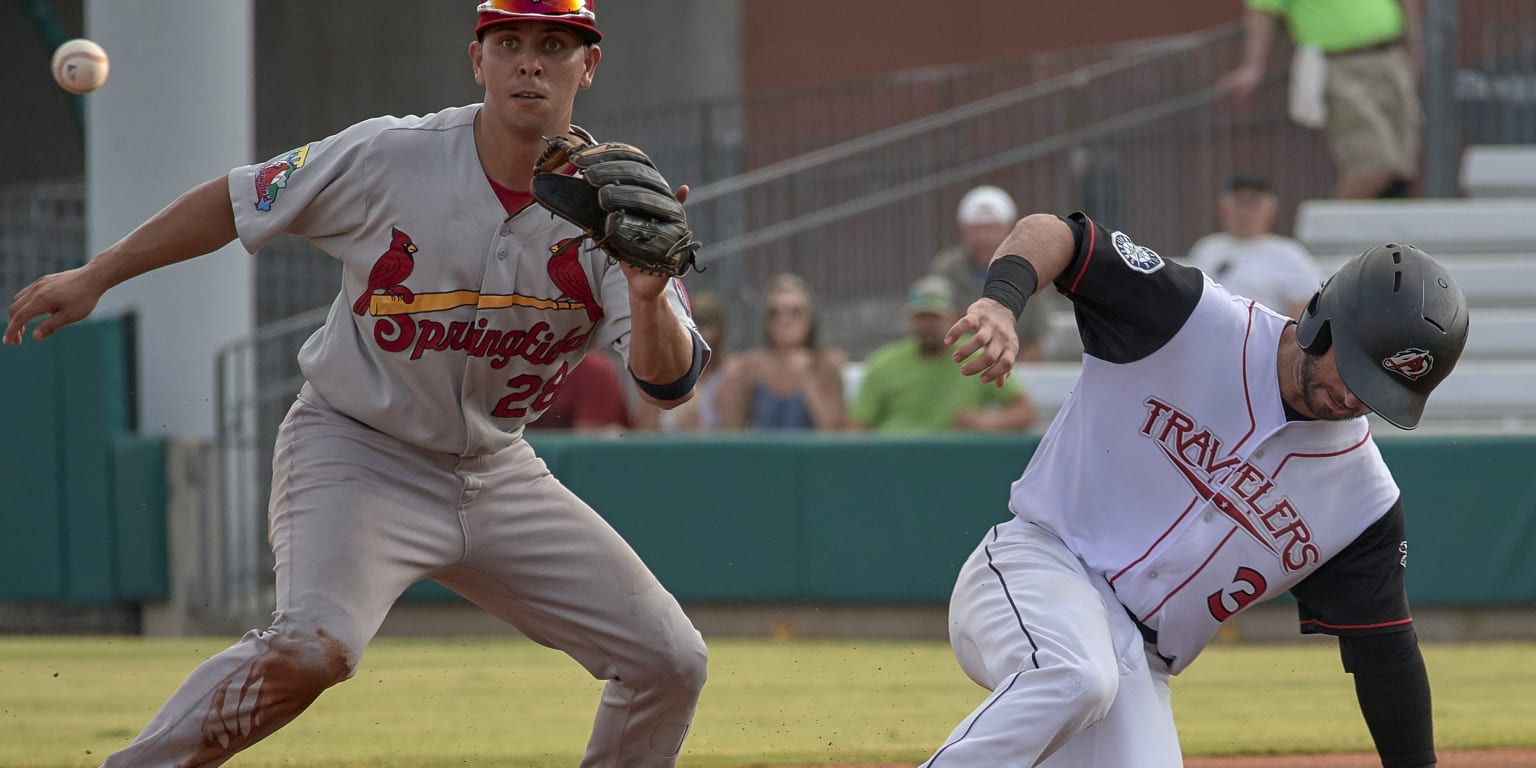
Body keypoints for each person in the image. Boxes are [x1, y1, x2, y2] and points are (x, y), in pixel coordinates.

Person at [4, 3, 711, 765]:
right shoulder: (390, 155)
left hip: (497, 472)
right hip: (356, 450)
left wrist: (646, 297)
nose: (529, 63)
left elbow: (667, 387)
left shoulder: (612, 209)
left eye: (554, 45)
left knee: (668, 661)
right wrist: (97, 274)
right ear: (478, 61)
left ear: (588, 66)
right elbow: (238, 200)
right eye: (508, 43)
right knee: (316, 649)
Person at [922, 210, 1466, 767]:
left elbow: (1386, 659)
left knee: (1090, 678)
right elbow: (1057, 234)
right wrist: (1000, 301)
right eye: (1355, 370)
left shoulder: (1362, 501)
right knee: (1075, 674)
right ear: (1323, 321)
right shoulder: (1191, 319)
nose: (1355, 400)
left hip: (1141, 664)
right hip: (1036, 565)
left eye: (1381, 392)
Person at [1219, 0, 1423, 200]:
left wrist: (1414, 46)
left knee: (1404, 167)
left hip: (1392, 55)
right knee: (1373, 165)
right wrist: (1253, 67)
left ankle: (1382, 232)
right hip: (1341, 64)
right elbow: (1261, 10)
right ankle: (1331, 231)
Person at [850, 275, 1035, 433]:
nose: (927, 326)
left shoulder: (978, 357)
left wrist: (986, 421)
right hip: (894, 459)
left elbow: (1024, 412)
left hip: (954, 460)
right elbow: (858, 426)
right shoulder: (883, 363)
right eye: (921, 317)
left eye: (935, 317)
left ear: (954, 317)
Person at [929, 186, 1057, 361]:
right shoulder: (946, 268)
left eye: (992, 229)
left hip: (1014, 367)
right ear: (963, 230)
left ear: (1010, 228)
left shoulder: (1031, 268)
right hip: (960, 367)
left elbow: (1038, 337)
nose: (984, 238)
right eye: (976, 229)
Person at [714, 273, 847, 431]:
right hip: (764, 453)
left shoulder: (825, 364)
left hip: (810, 454)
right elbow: (730, 428)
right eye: (774, 313)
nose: (784, 320)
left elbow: (833, 431)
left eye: (795, 312)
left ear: (810, 318)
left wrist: (809, 378)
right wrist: (732, 384)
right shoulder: (752, 365)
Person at [1185, 174, 1324, 319]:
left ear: (1271, 209)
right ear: (1223, 208)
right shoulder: (1206, 248)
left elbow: (1310, 309)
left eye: (1254, 204)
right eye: (1238, 203)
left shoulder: (1287, 253)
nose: (1245, 212)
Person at [633, 291, 728, 433]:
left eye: (709, 324)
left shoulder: (730, 376)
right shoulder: (657, 376)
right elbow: (643, 433)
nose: (705, 334)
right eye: (696, 323)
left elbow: (734, 431)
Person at [524, 349, 633, 434]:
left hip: (579, 460)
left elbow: (587, 442)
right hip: (516, 457)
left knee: (610, 434)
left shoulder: (593, 370)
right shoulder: (512, 366)